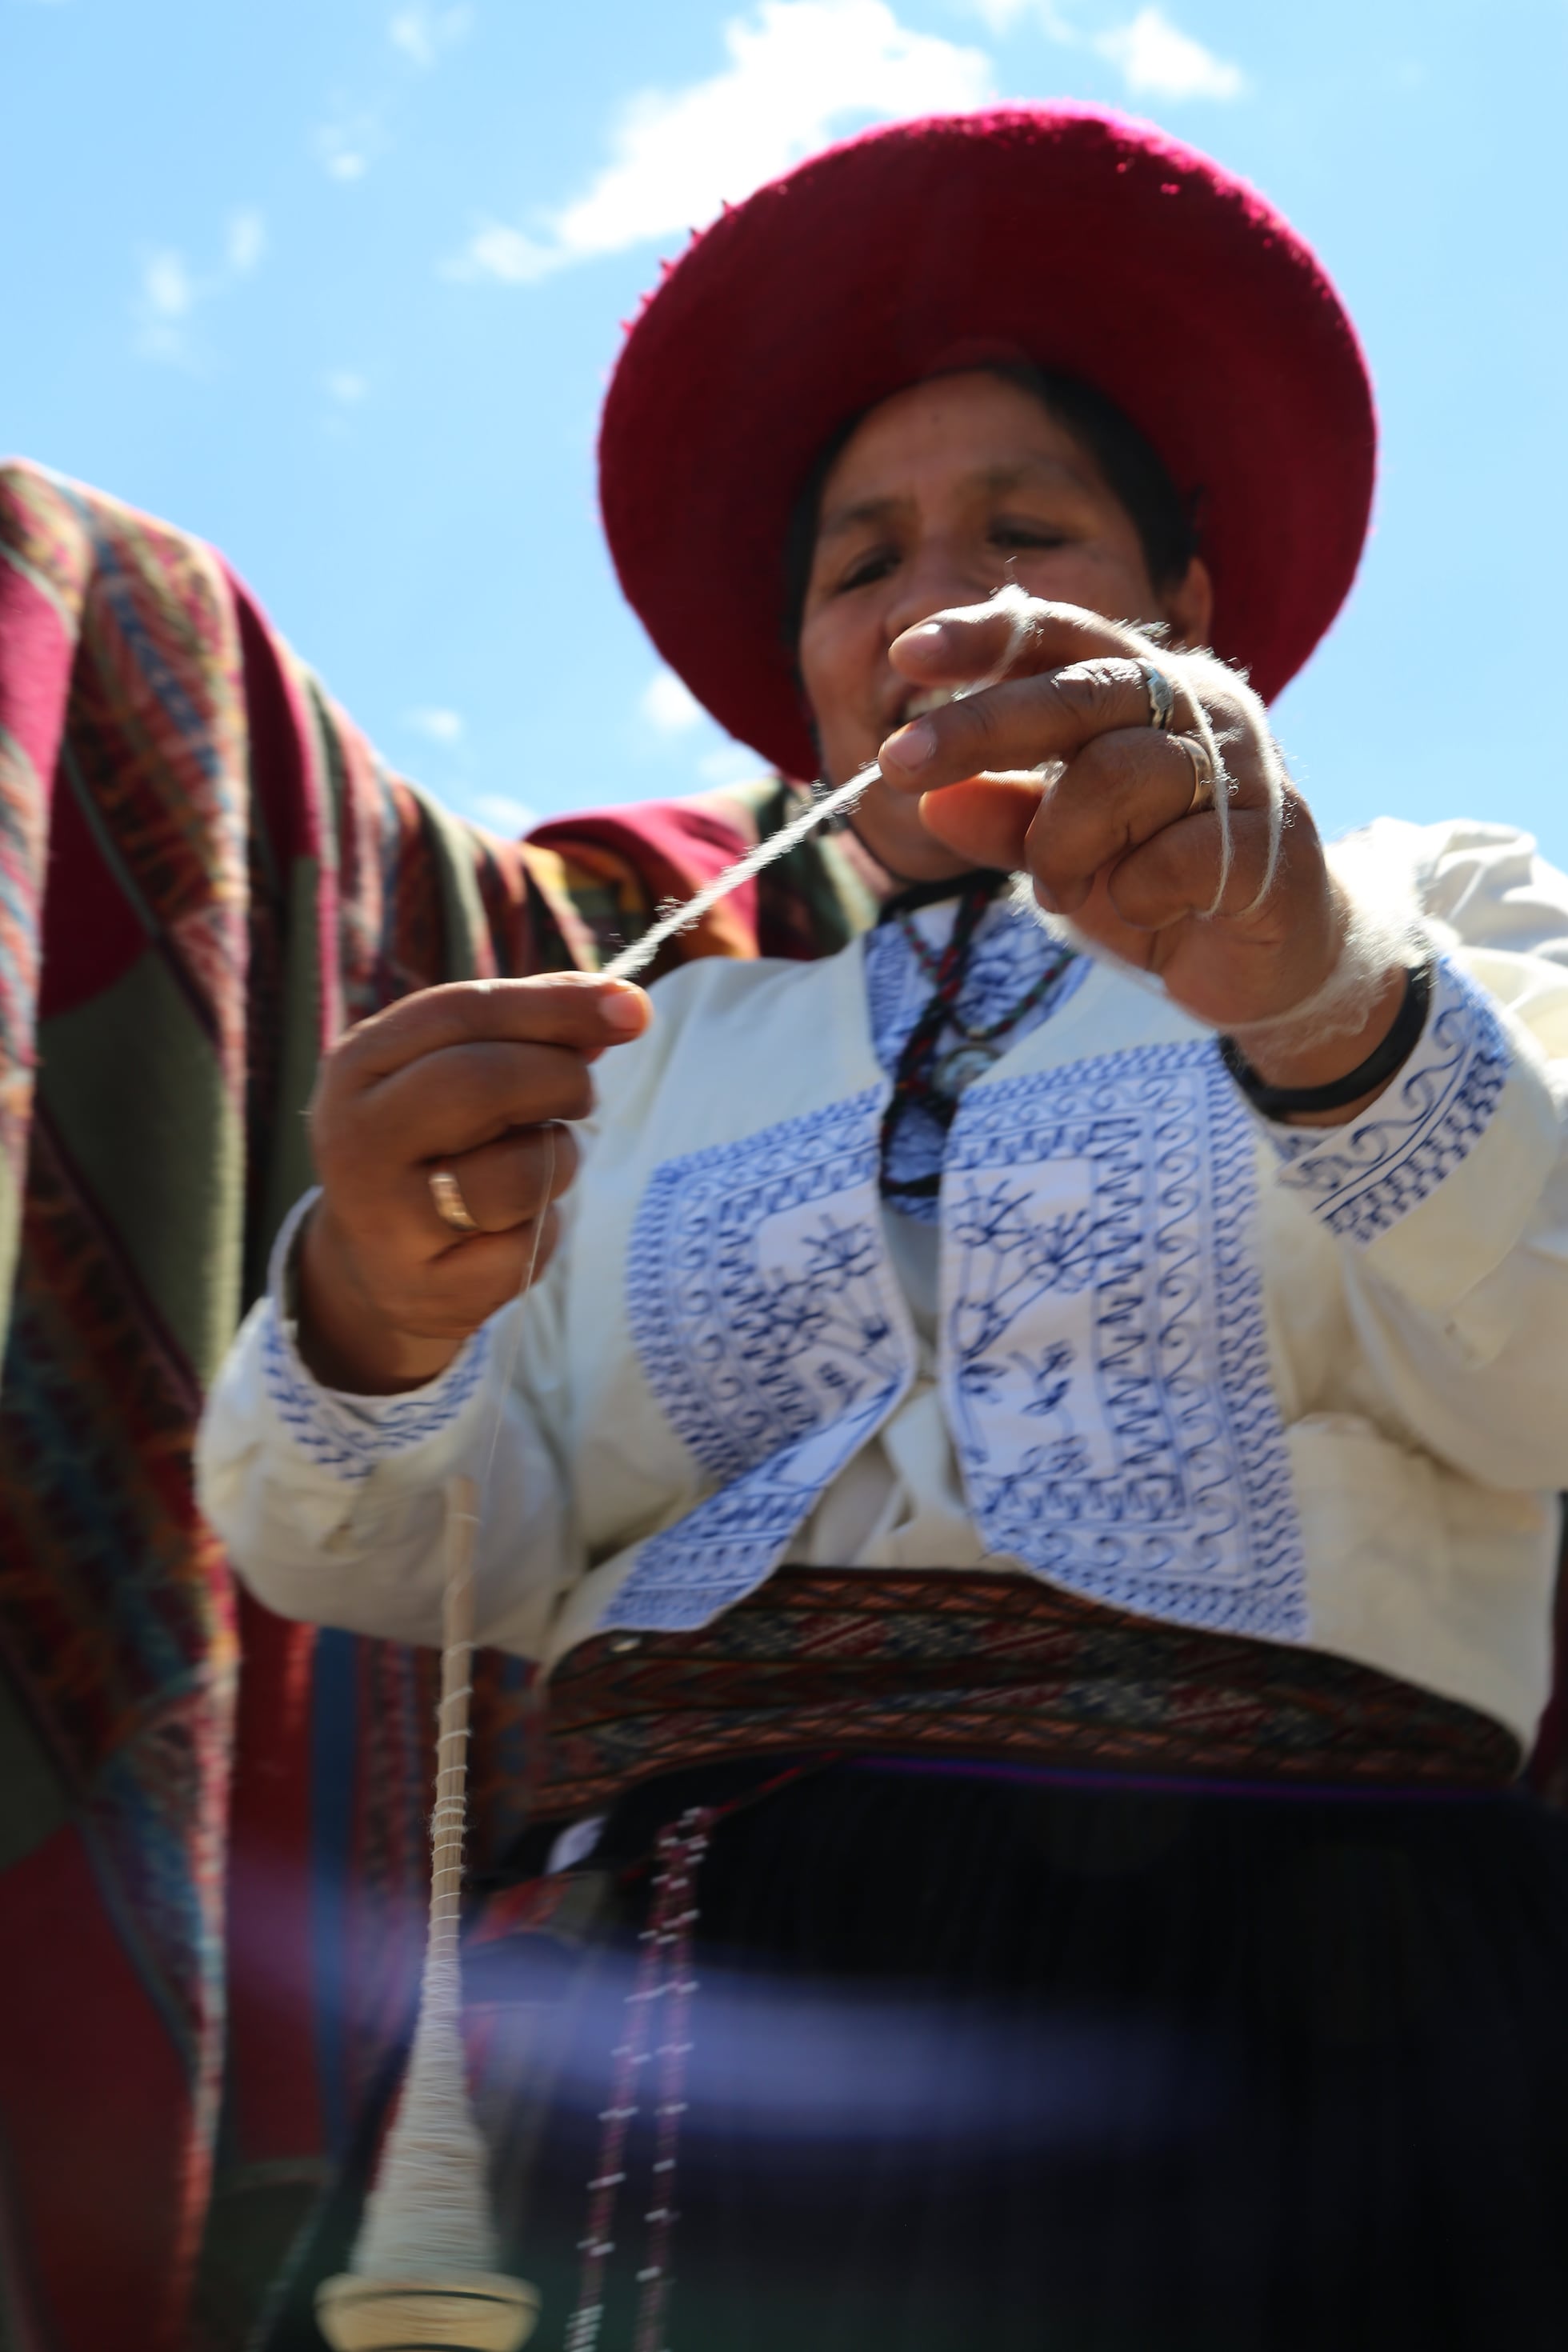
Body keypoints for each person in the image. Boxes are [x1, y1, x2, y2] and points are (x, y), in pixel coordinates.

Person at [198, 106, 1568, 2350]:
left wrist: (1316, 994)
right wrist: (374, 1306)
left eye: (1022, 529)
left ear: (1184, 609)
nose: (935, 601)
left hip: (1320, 2022)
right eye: (864, 562)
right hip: (679, 2055)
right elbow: (386, 1549)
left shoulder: (1440, 917)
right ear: (810, 668)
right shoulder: (655, 1055)